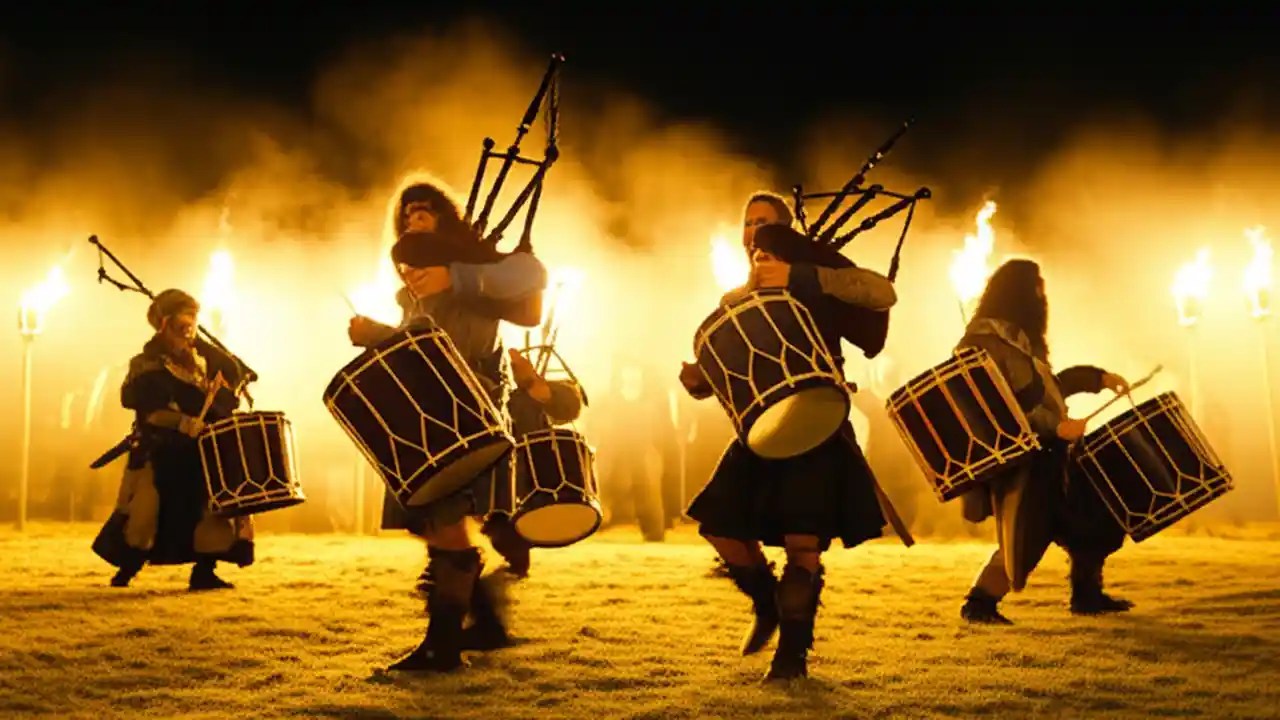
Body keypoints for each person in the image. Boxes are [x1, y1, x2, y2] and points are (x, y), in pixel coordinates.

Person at [678, 220, 910, 681]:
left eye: (764, 228)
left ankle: (791, 659)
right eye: (748, 230)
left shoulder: (820, 284)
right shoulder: (736, 300)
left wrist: (801, 276)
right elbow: (725, 369)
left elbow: (882, 293)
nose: (754, 241)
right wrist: (699, 380)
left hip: (817, 416)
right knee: (720, 529)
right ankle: (769, 605)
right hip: (760, 430)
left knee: (803, 547)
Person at [347, 177, 550, 672]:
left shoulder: (474, 260)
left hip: (467, 403)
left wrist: (454, 276)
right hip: (428, 404)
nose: (415, 216)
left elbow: (531, 276)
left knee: (443, 520)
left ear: (445, 214)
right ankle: (483, 623)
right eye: (408, 212)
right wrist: (379, 336)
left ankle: (444, 646)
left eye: (425, 209)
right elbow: (421, 342)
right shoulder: (412, 286)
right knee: (435, 520)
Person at [955, 258, 1133, 624]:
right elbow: (991, 409)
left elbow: (1048, 392)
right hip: (1023, 461)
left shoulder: (1022, 341)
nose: (1042, 295)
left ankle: (1087, 595)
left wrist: (1097, 378)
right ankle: (979, 603)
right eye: (1036, 286)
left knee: (1093, 519)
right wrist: (1051, 431)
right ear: (1018, 291)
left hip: (1051, 453)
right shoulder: (983, 342)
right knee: (1026, 537)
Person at [90, 289, 254, 590]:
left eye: (194, 315)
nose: (191, 322)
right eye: (184, 315)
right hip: (161, 450)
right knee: (147, 513)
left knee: (209, 510)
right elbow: (148, 409)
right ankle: (127, 569)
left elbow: (226, 390)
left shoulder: (203, 359)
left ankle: (205, 571)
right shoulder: (146, 364)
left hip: (200, 450)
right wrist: (180, 422)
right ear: (165, 322)